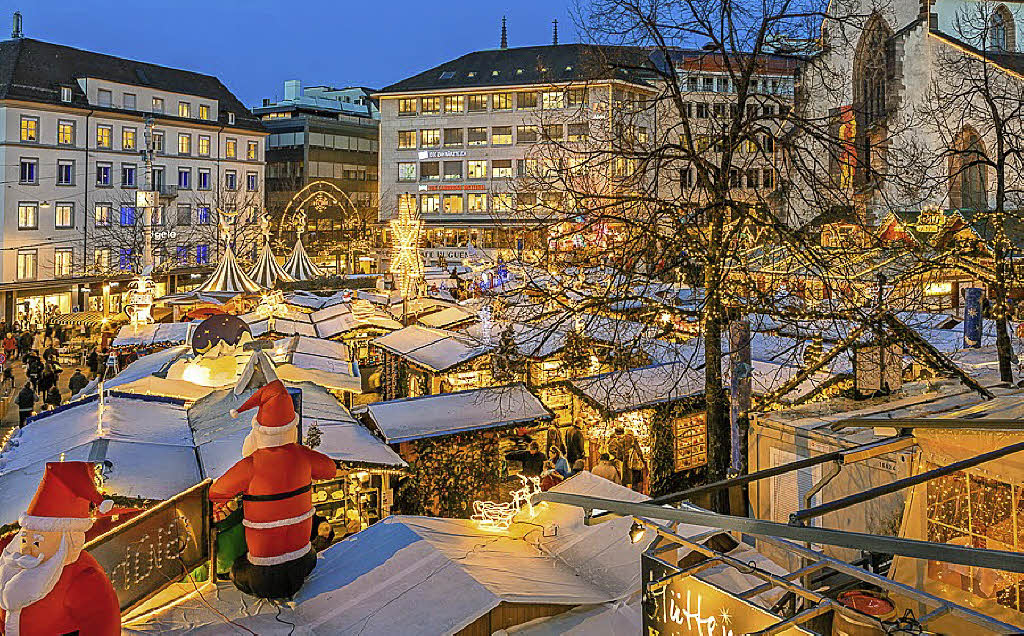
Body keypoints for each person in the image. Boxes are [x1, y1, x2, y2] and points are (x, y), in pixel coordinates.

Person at [0, 462, 121, 635]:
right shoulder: (11, 562)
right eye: (24, 540)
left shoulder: (84, 577)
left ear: (67, 540)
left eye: (37, 543)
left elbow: (103, 627)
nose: (26, 551)